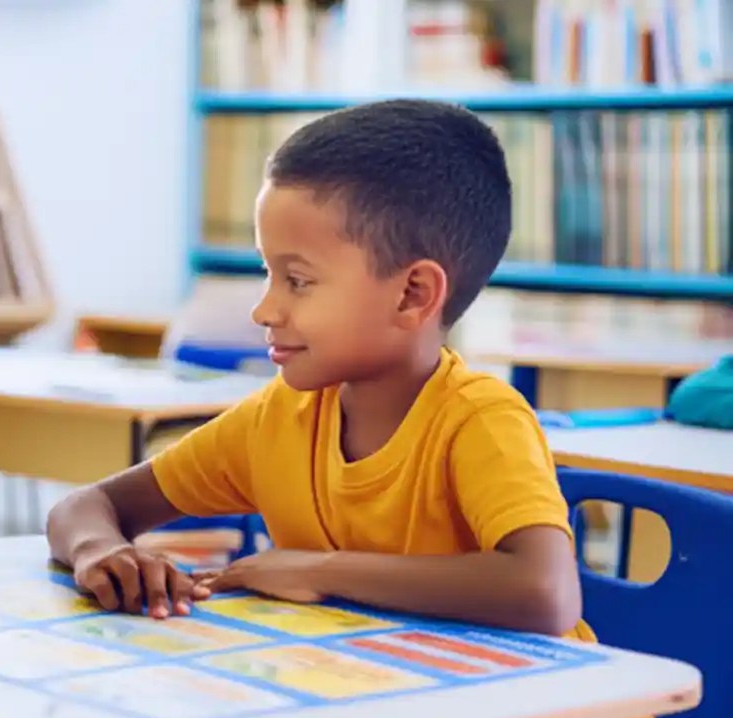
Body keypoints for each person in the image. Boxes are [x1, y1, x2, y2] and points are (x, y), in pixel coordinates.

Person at [47, 99, 594, 642]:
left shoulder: (479, 420)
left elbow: (544, 591)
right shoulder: (279, 420)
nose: (264, 310)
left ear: (413, 294)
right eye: (269, 273)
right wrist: (104, 550)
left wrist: (317, 569)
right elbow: (86, 505)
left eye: (298, 281)